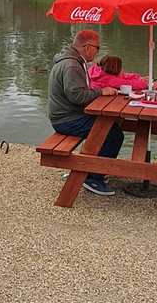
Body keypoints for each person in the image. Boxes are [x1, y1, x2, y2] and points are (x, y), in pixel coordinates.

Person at [48, 29, 123, 196]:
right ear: (88, 47)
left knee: (111, 125)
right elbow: (76, 96)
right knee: (113, 134)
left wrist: (98, 91)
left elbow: (77, 93)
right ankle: (92, 177)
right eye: (98, 47)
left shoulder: (73, 61)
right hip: (67, 119)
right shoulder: (72, 65)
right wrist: (100, 92)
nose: (98, 51)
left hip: (68, 114)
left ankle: (87, 168)